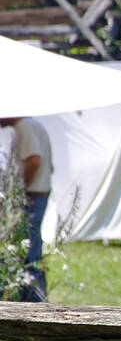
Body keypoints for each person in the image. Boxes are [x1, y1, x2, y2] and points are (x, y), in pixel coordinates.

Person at [2, 116, 53, 302]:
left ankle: (34, 305)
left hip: (32, 196)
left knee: (29, 256)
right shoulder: (30, 125)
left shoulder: (24, 127)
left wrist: (21, 190)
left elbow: (34, 161)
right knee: (31, 250)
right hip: (37, 193)